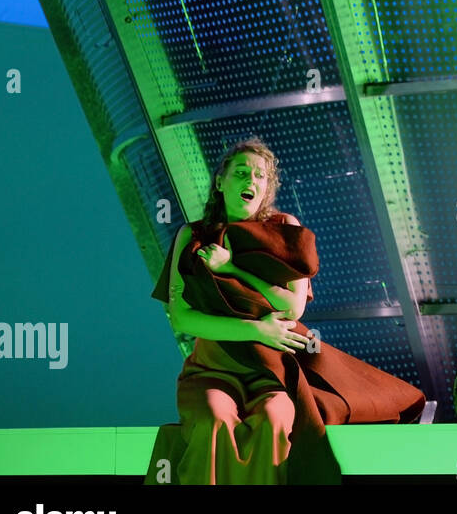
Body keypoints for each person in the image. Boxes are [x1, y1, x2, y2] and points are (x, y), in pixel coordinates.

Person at [151, 137, 425, 484]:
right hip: (213, 369)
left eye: (260, 176)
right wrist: (258, 330)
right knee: (214, 420)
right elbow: (182, 317)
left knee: (275, 420)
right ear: (220, 182)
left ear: (267, 187)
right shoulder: (192, 235)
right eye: (240, 173)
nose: (251, 181)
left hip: (273, 372)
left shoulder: (284, 229)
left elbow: (292, 306)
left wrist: (233, 267)